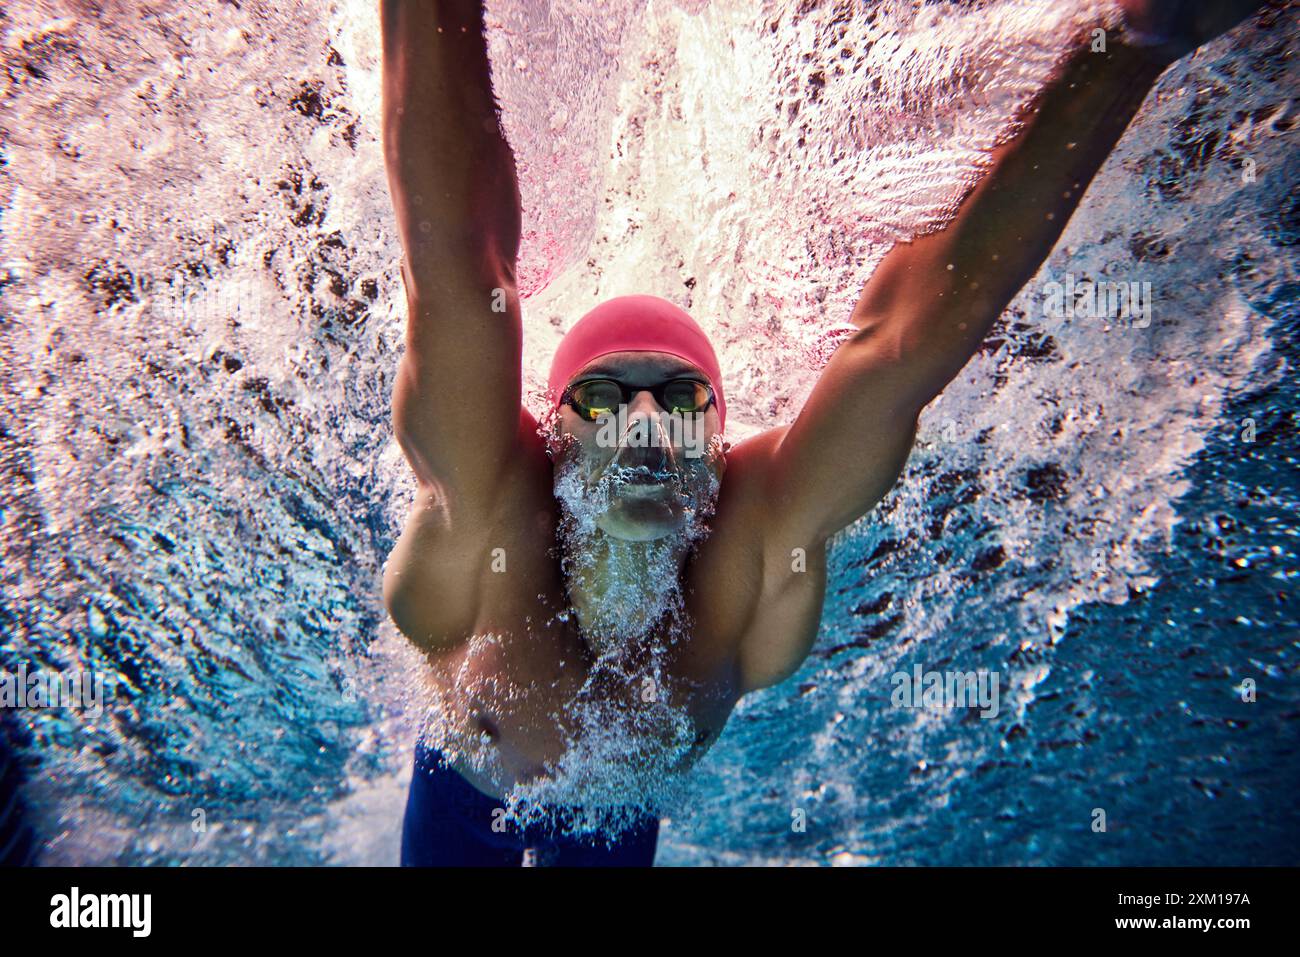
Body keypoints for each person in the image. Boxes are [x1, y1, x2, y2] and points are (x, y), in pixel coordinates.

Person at [379, 0, 1264, 866]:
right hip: (464, 809)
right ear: (556, 434)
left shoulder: (753, 541)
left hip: (614, 828)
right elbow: (455, 259)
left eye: (683, 400)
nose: (649, 421)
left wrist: (1131, 43)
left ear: (719, 446)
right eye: (605, 400)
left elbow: (898, 354)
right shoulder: (488, 502)